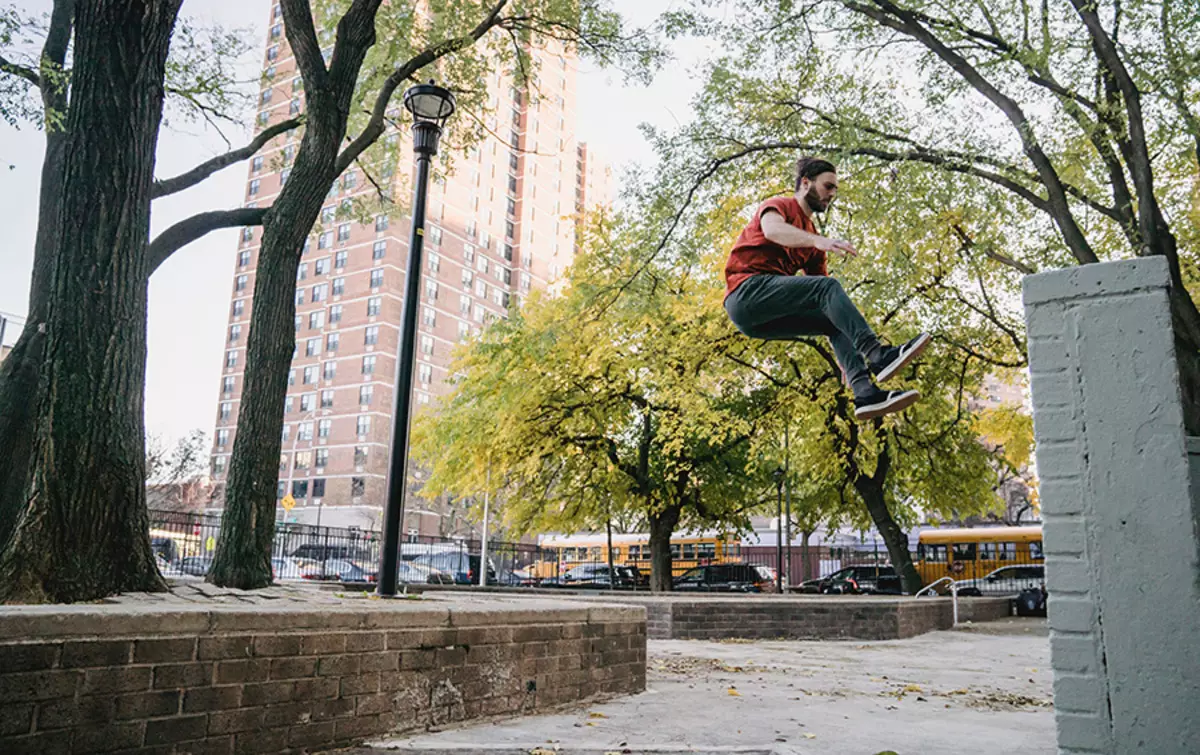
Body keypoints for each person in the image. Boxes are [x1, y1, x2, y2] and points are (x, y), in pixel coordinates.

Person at [723, 156, 930, 420]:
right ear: (806, 183)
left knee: (833, 321)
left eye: (835, 189)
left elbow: (831, 306)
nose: (831, 194)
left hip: (759, 322)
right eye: (828, 186)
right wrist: (817, 240)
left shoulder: (813, 244)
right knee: (826, 287)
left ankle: (864, 392)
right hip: (746, 292)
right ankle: (878, 354)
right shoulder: (779, 206)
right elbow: (773, 231)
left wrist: (848, 357)